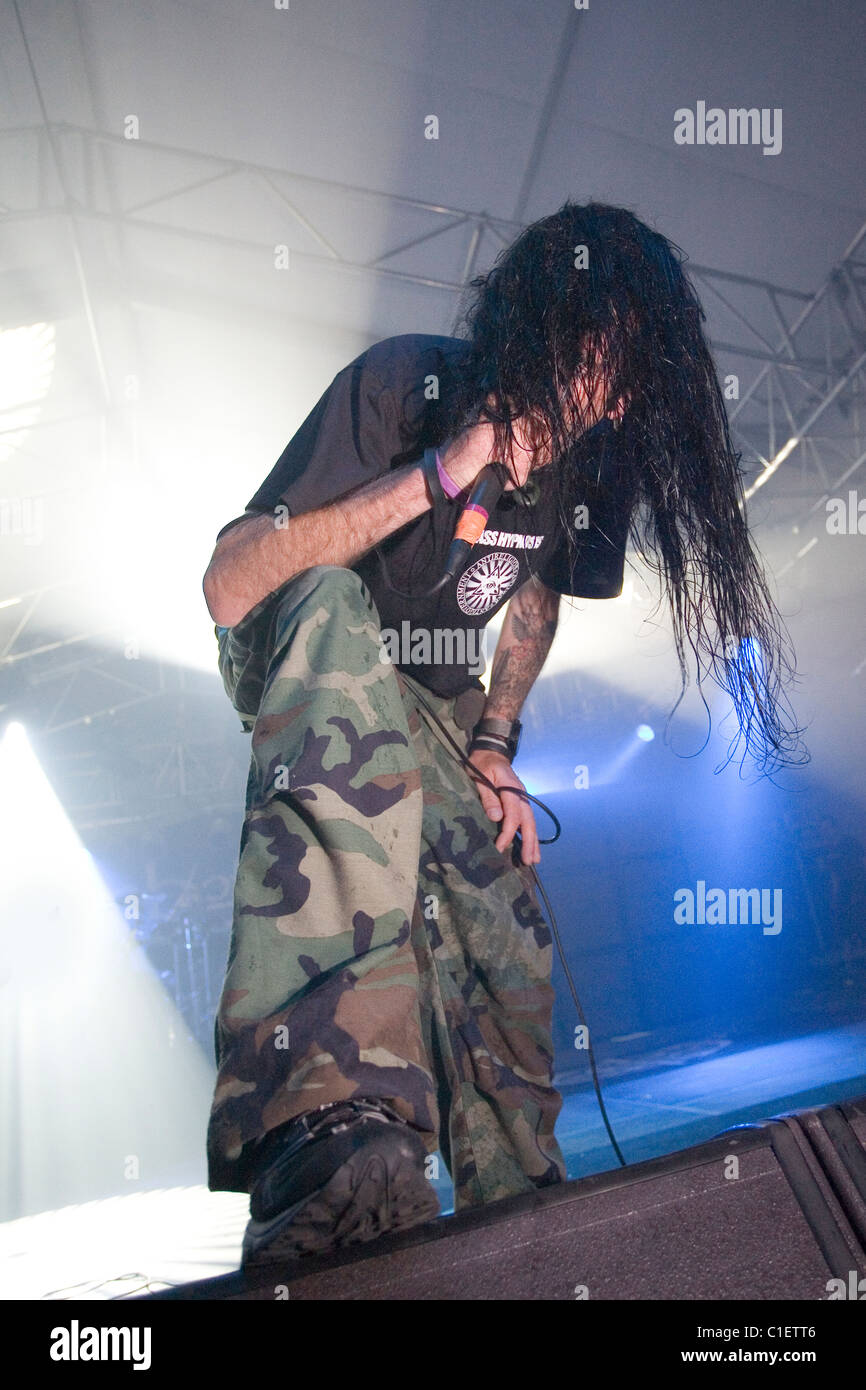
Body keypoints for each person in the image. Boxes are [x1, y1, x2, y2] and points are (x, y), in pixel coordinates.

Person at [202, 201, 807, 1267]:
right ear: (532, 325)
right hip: (301, 644)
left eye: (620, 376)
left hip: (431, 701)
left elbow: (532, 598)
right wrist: (439, 473)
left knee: (494, 891)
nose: (597, 395)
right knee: (337, 627)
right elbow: (230, 582)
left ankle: (509, 1192)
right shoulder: (403, 384)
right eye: (584, 356)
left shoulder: (587, 464)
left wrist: (493, 743)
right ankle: (327, 1127)